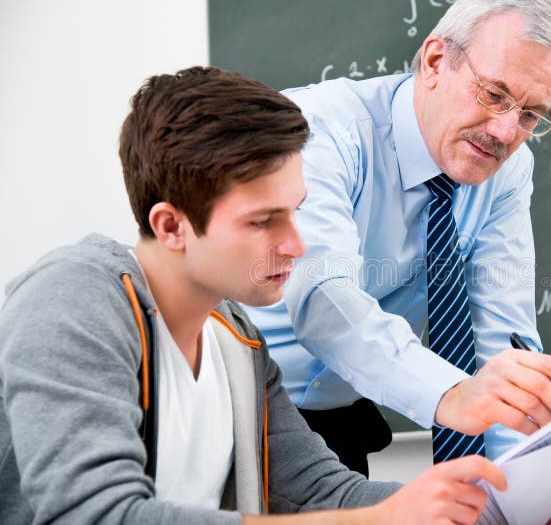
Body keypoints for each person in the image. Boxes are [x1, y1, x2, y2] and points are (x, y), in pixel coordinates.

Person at [0, 65, 523, 524]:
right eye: (262, 221)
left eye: (295, 211)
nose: (296, 246)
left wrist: (515, 512)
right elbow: (98, 515)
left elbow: (326, 494)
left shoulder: (237, 341)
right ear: (172, 226)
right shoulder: (74, 300)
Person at [244, 0, 551, 475]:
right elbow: (325, 302)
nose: (507, 132)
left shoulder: (508, 171)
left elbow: (502, 332)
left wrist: (531, 476)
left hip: (343, 426)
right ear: (435, 61)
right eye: (493, 94)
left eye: (530, 115)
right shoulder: (322, 131)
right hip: (243, 409)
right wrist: (453, 394)